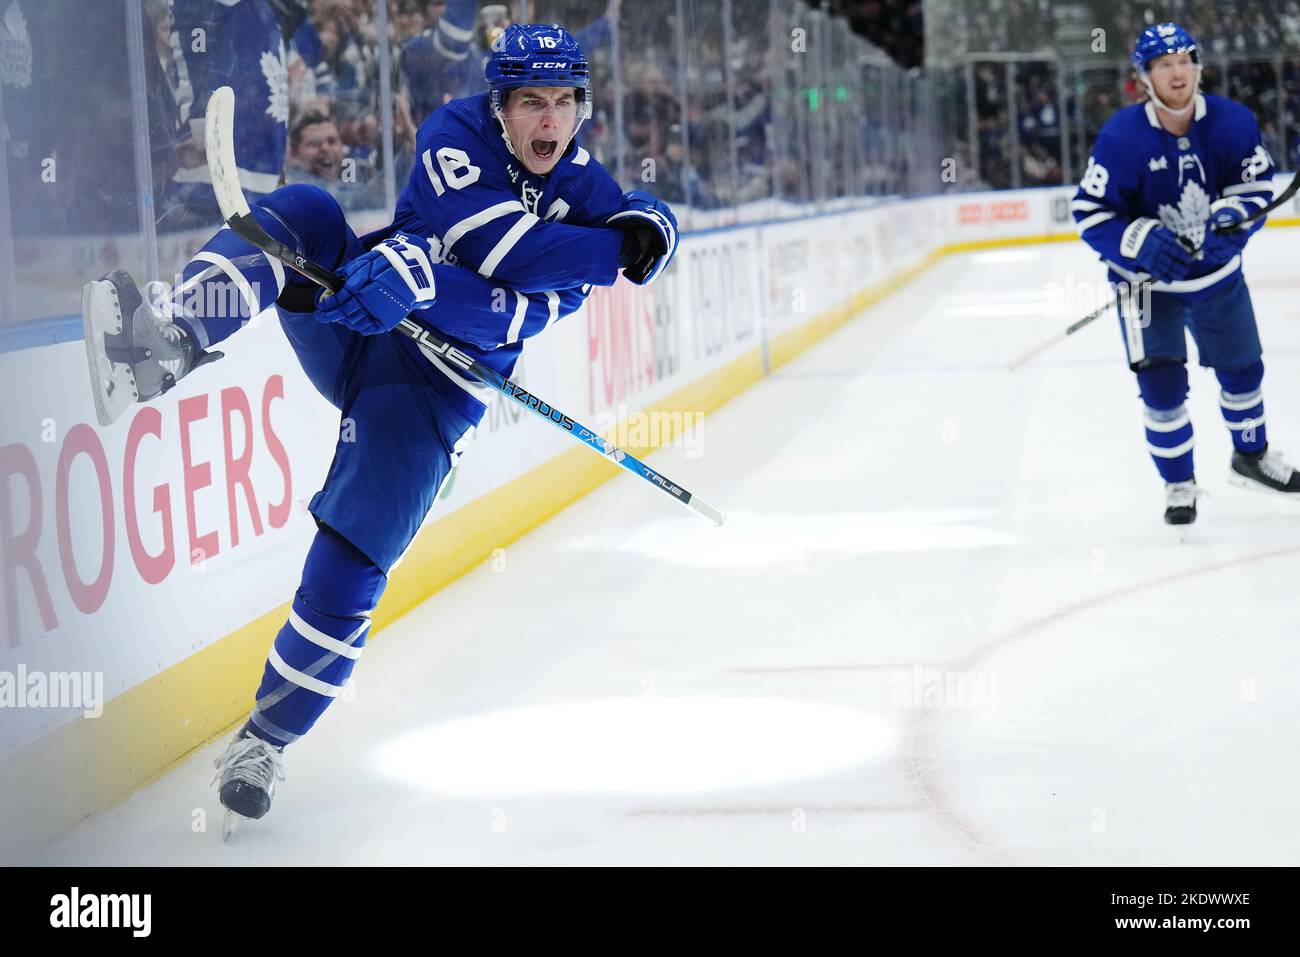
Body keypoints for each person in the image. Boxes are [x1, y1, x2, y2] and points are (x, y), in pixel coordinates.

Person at [79, 23, 679, 831]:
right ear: (499, 105)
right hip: (356, 313)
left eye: (563, 102)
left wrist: (629, 232)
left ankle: (266, 738)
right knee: (303, 214)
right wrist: (609, 246)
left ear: (582, 108)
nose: (547, 119)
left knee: (353, 562)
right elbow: (498, 243)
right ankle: (169, 340)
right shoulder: (453, 132)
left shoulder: (587, 185)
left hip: (432, 390)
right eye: (529, 100)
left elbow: (526, 290)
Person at [1072, 22, 1299, 526]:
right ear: (1145, 78)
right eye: (1163, 64)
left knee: (1244, 372)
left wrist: (1230, 223)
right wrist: (1140, 244)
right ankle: (1178, 483)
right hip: (1145, 289)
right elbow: (1090, 211)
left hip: (1217, 278)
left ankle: (1251, 457)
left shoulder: (1233, 122)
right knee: (1163, 389)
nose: (1177, 72)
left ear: (1198, 67)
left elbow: (1257, 186)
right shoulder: (1121, 137)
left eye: (1184, 61)